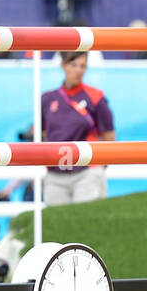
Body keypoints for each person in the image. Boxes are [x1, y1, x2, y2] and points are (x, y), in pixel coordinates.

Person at [40, 51, 115, 206]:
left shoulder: (96, 97)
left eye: (82, 66)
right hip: (55, 174)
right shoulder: (47, 99)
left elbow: (109, 136)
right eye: (73, 65)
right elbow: (45, 134)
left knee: (85, 224)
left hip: (87, 173)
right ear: (63, 65)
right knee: (57, 225)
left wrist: (99, 166)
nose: (78, 70)